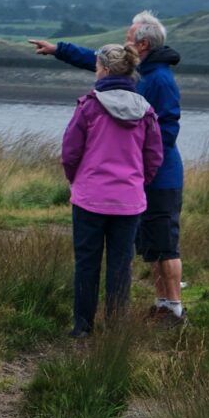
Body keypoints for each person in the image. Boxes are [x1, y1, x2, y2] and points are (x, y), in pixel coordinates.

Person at [32, 12, 185, 322]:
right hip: (134, 183)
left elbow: (165, 134)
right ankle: (158, 306)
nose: (125, 43)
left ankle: (174, 308)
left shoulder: (158, 80)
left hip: (156, 179)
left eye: (129, 38)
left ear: (142, 44)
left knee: (164, 244)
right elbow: (102, 61)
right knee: (147, 247)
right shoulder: (139, 73)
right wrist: (59, 49)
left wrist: (140, 171)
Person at [59, 42, 166, 335]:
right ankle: (116, 328)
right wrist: (138, 183)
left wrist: (76, 180)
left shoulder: (90, 106)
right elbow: (154, 156)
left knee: (87, 262)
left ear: (104, 69)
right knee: (121, 265)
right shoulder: (145, 111)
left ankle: (82, 326)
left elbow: (70, 152)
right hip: (129, 200)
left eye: (96, 65)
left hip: (90, 198)